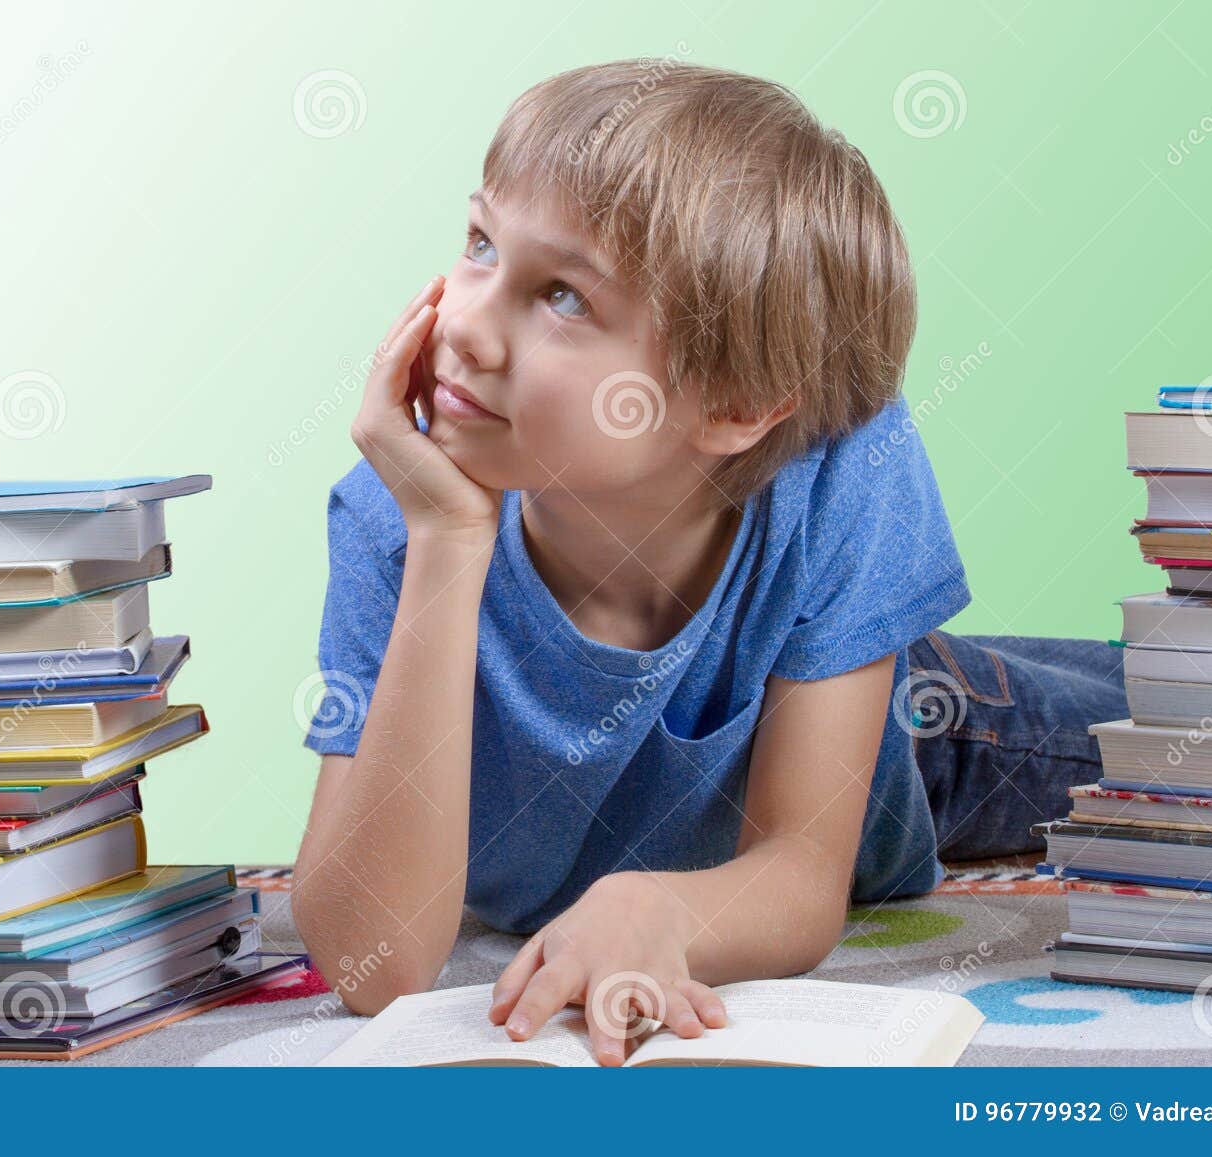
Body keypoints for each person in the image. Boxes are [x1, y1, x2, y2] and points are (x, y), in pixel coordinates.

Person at [289, 60, 1126, 1065]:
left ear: (736, 405)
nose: (465, 326)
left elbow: (803, 873)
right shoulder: (401, 510)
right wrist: (447, 543)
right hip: (717, 710)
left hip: (911, 725)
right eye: (480, 243)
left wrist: (658, 910)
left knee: (1209, 728)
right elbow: (369, 963)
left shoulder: (835, 466)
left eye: (560, 294)